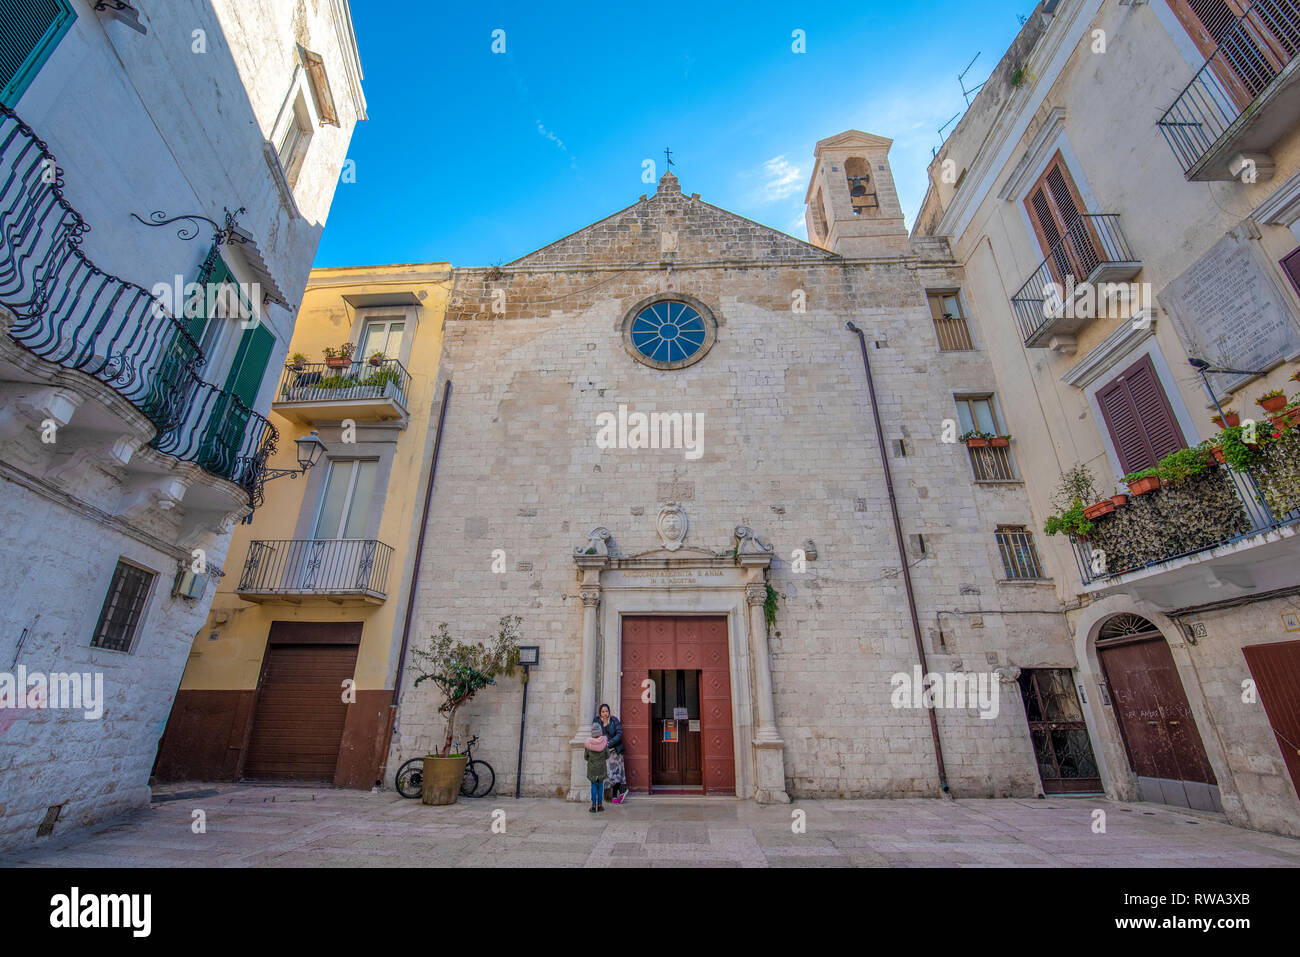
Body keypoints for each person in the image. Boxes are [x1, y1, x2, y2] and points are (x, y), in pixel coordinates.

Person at [597, 703, 626, 804]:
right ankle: (618, 793)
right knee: (609, 774)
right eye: (603, 712)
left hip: (615, 751)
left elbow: (619, 733)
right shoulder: (598, 723)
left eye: (606, 711)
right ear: (600, 713)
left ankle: (617, 794)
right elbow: (595, 736)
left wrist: (610, 743)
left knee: (617, 773)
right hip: (606, 753)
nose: (605, 713)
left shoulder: (614, 720)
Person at [583, 720, 609, 812]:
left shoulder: (588, 744)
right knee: (600, 786)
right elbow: (607, 755)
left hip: (592, 769)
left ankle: (593, 805)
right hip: (601, 768)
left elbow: (586, 757)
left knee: (593, 786)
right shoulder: (604, 742)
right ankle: (600, 805)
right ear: (600, 732)